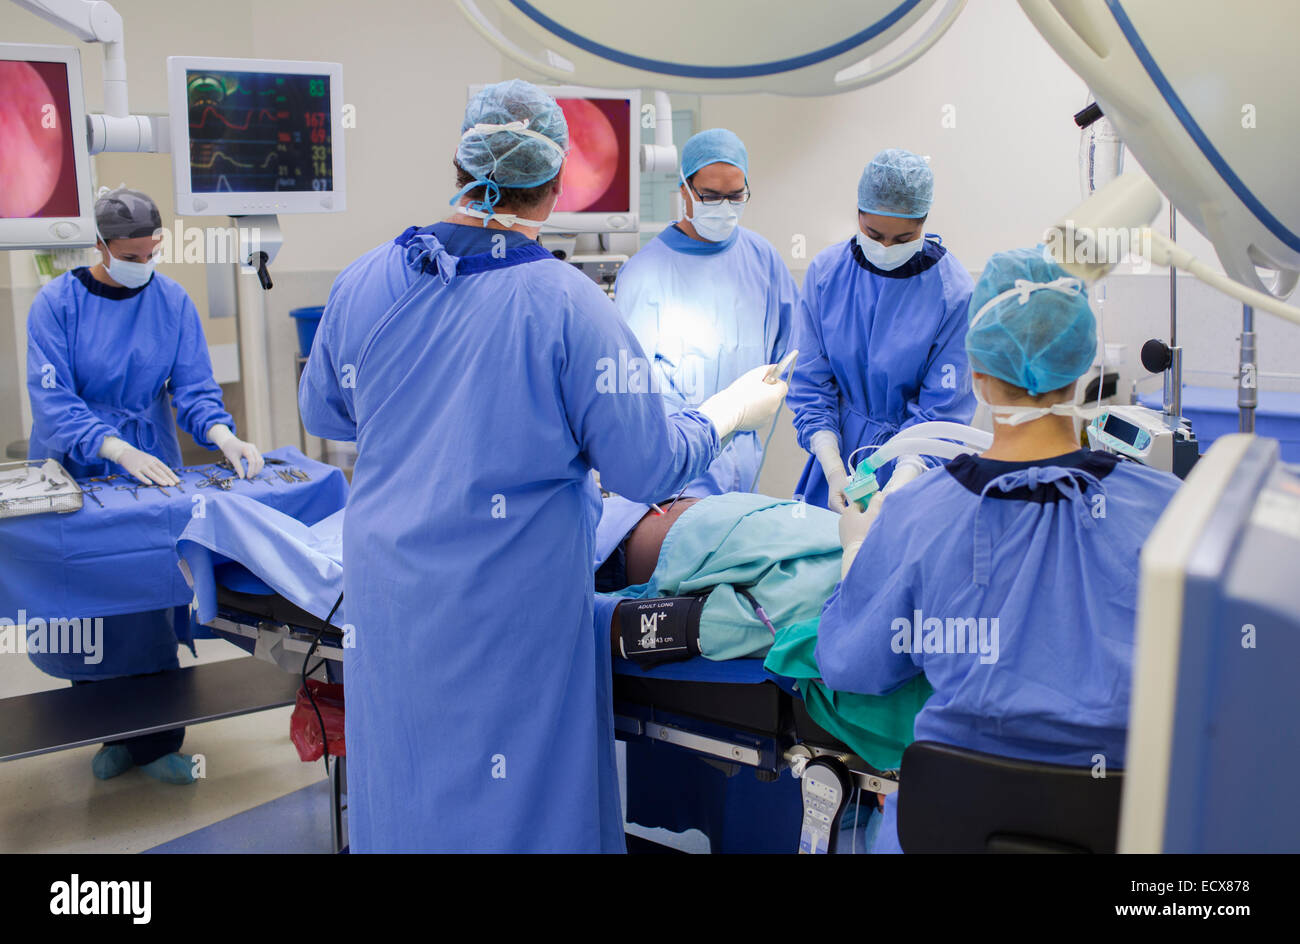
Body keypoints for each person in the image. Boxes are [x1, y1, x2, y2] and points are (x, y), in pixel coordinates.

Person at [298, 79, 787, 853]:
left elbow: (325, 414)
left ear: (457, 163)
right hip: (506, 611)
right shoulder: (567, 305)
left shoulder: (364, 281)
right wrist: (726, 412)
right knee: (516, 801)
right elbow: (649, 463)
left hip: (391, 599)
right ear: (556, 189)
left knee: (408, 782)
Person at [816, 247, 1183, 853]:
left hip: (951, 821)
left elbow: (851, 664)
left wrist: (858, 556)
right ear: (1084, 365)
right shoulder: (1169, 509)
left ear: (977, 373)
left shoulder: (918, 515)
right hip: (1132, 829)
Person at [25, 186, 262, 784]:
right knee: (88, 605)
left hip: (149, 465)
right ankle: (110, 735)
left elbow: (193, 388)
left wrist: (222, 433)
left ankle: (158, 743)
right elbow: (52, 399)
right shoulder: (56, 303)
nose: (143, 263)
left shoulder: (173, 301)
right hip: (75, 469)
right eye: (131, 254)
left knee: (147, 599)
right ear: (101, 246)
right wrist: (109, 444)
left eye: (151, 250)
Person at [788, 149, 975, 511]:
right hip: (838, 455)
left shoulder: (953, 292)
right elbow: (811, 384)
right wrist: (831, 466)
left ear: (923, 221)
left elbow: (942, 411)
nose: (886, 247)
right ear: (858, 214)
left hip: (916, 465)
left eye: (903, 238)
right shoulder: (827, 274)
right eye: (873, 234)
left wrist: (897, 487)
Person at [615, 128, 797, 496]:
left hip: (746, 462)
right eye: (711, 197)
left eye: (736, 196)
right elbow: (631, 390)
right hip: (678, 465)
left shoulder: (762, 259)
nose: (725, 207)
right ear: (683, 189)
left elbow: (795, 349)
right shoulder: (645, 272)